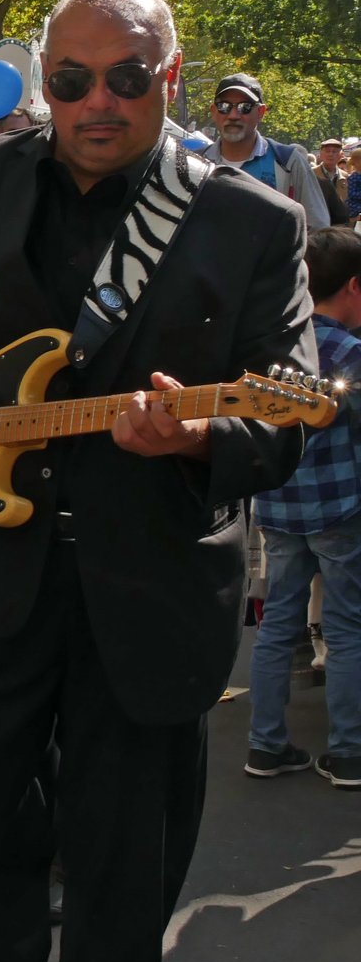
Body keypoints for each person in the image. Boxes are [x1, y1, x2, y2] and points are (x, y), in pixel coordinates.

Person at [0, 0, 313, 962]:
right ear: (43, 82)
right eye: (72, 80)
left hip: (150, 602)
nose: (100, 100)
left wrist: (195, 439)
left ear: (170, 79)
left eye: (129, 78)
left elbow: (282, 414)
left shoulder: (254, 223)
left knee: (121, 894)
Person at [247, 225, 361, 789]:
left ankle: (265, 745)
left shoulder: (272, 346)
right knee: (345, 630)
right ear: (354, 287)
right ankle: (348, 752)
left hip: (278, 504)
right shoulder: (349, 351)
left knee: (277, 630)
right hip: (340, 506)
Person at [195, 72, 331, 227]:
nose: (233, 115)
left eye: (244, 107)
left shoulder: (288, 162)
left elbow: (318, 227)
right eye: (224, 106)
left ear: (261, 112)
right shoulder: (196, 162)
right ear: (213, 111)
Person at [312, 137, 351, 226]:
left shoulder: (346, 176)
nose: (330, 154)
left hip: (339, 227)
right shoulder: (311, 174)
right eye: (327, 151)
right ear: (320, 154)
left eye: (334, 151)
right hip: (317, 225)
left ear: (341, 155)